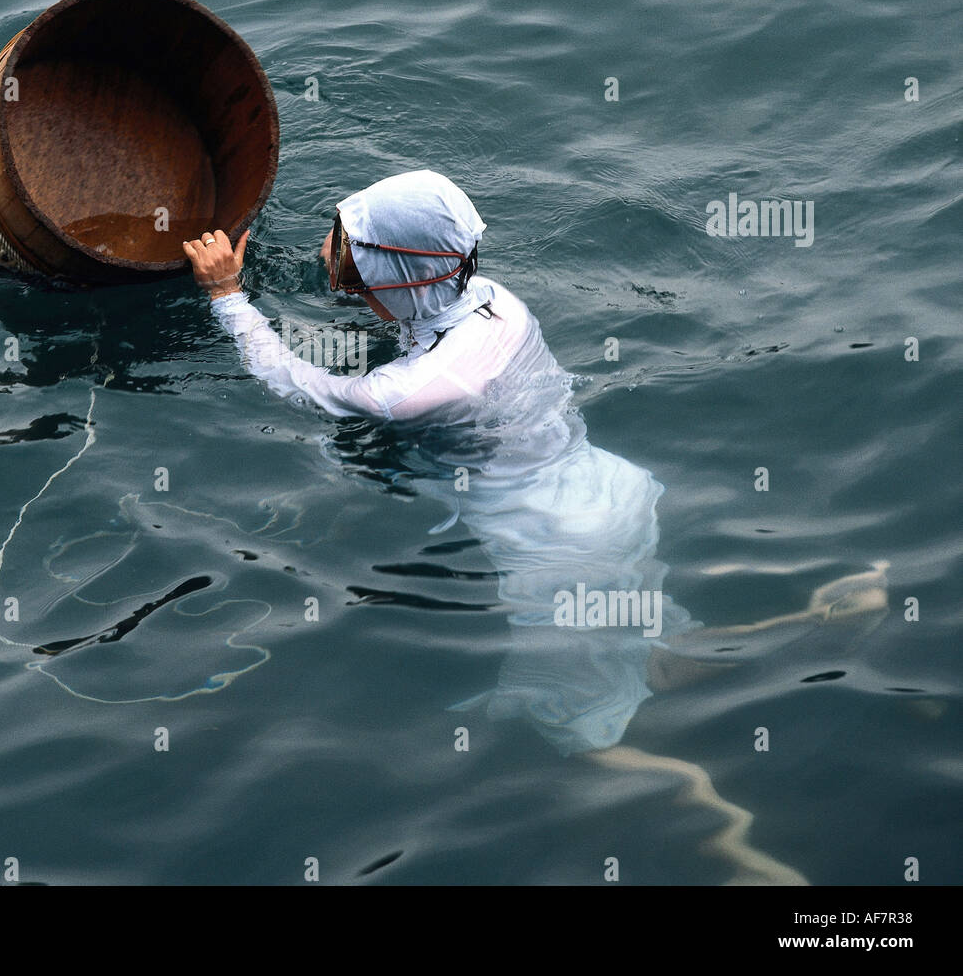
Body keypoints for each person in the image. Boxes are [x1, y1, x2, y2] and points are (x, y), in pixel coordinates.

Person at [183, 169, 885, 884]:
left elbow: (294, 381)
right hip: (609, 493)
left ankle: (727, 837)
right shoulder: (498, 305)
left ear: (392, 272)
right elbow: (418, 319)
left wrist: (226, 295)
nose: (330, 248)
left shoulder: (405, 393)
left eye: (348, 245)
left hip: (551, 550)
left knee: (573, 728)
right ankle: (821, 620)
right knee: (649, 644)